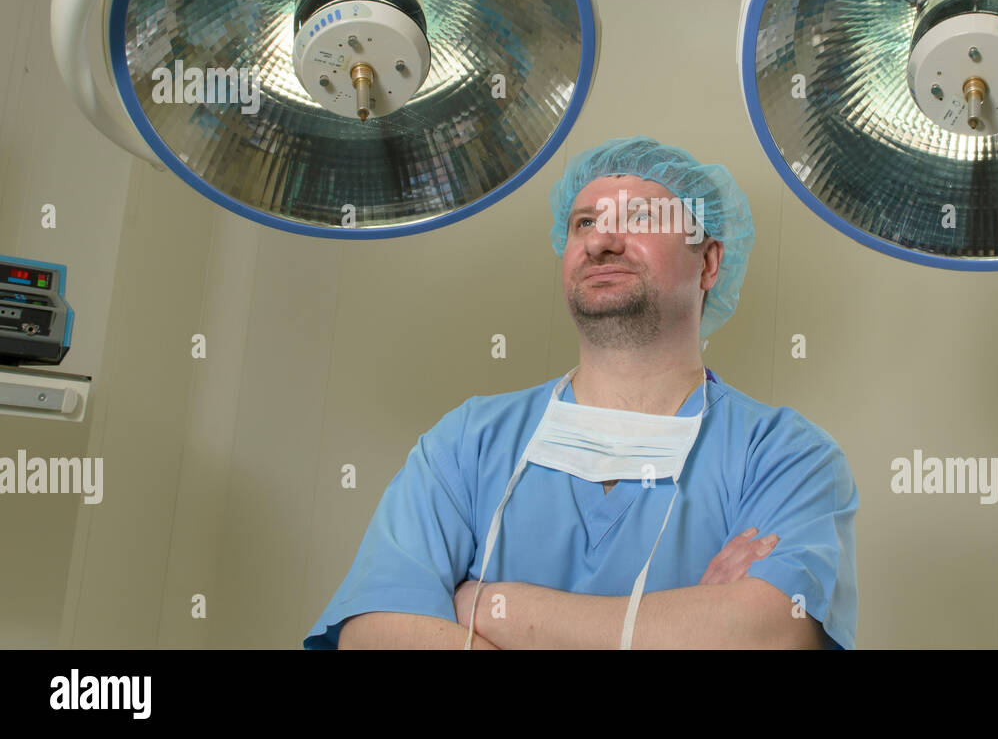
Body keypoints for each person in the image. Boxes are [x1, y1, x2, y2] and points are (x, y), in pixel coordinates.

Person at [303, 135, 859, 649]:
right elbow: (375, 635)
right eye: (584, 222)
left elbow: (767, 634)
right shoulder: (469, 441)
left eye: (639, 217)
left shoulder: (785, 455)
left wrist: (488, 609)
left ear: (709, 262)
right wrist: (688, 624)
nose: (600, 241)